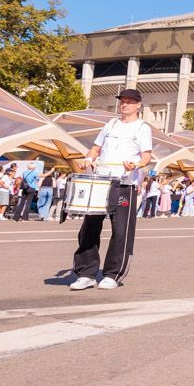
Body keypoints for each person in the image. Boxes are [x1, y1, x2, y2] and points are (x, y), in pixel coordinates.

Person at [69, 88, 155, 290]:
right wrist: (89, 158)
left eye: (129, 102)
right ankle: (86, 273)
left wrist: (135, 164)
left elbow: (146, 156)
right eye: (122, 101)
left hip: (124, 182)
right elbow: (96, 148)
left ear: (138, 105)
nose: (124, 105)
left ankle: (112, 274)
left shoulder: (142, 128)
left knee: (121, 229)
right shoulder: (110, 124)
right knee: (89, 227)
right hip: (101, 181)